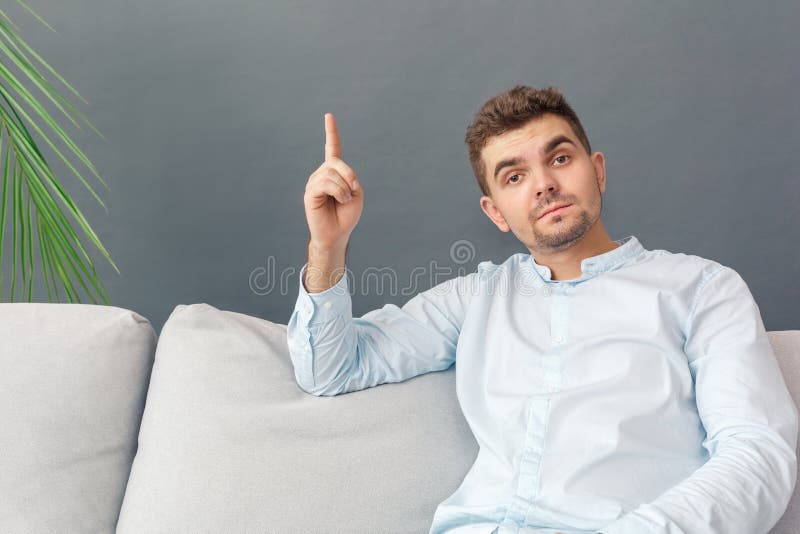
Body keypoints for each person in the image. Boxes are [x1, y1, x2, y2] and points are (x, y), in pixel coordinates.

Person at [286, 85, 798, 534]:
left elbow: (759, 454)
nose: (543, 185)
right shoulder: (473, 299)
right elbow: (332, 370)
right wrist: (328, 246)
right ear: (495, 214)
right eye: (513, 177)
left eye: (559, 159)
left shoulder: (703, 289)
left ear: (597, 171)